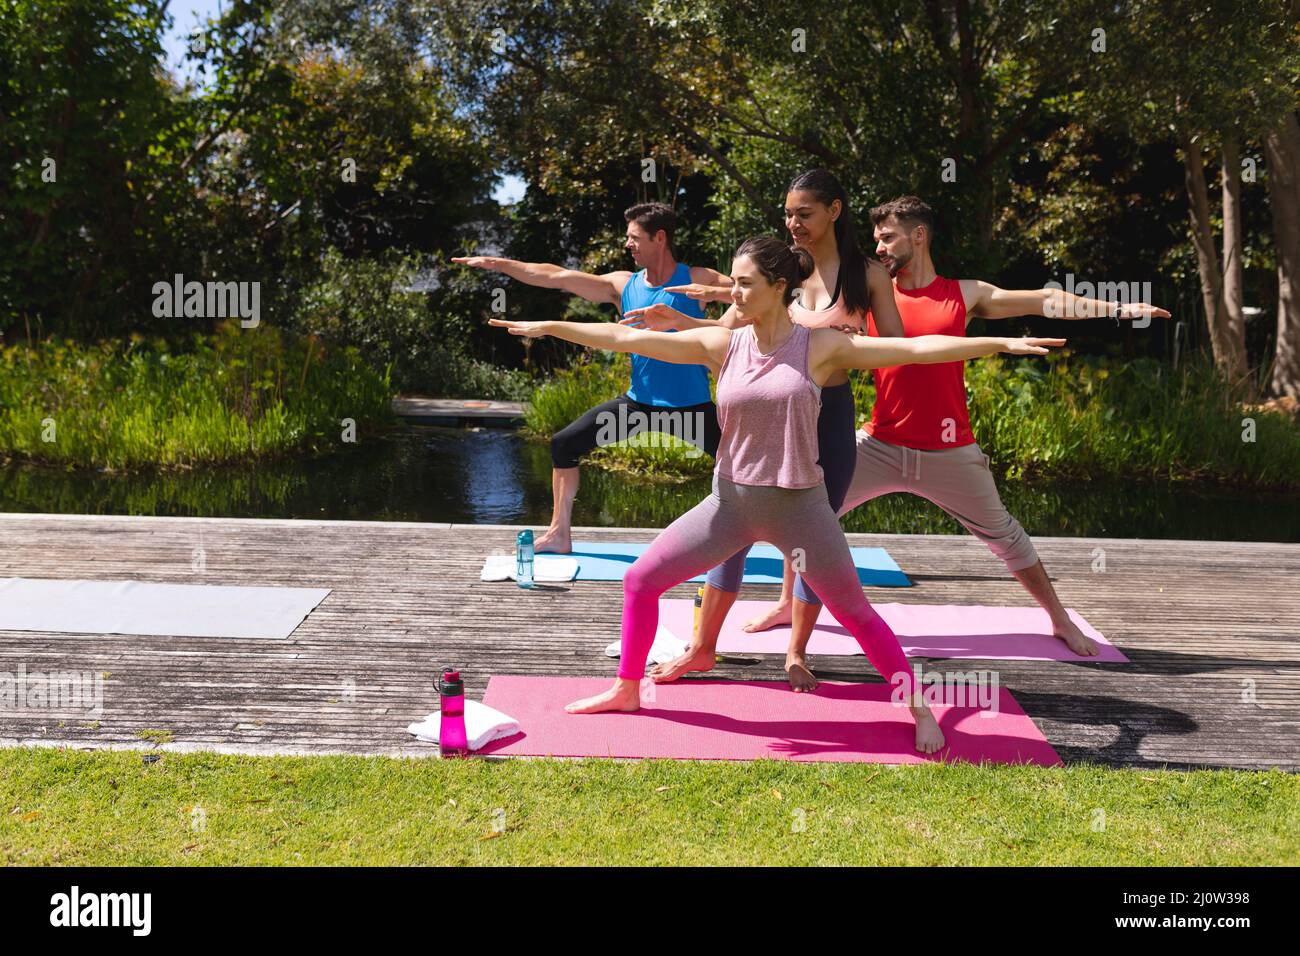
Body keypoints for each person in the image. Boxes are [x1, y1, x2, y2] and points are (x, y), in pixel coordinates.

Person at [490, 235, 1066, 753]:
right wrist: (551, 328)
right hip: (729, 504)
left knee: (859, 615)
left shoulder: (822, 348)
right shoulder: (721, 344)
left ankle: (919, 710)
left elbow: (914, 351)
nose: (732, 291)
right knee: (640, 579)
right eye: (733, 281)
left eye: (744, 283)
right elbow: (621, 335)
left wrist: (997, 345)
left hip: (802, 511)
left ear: (778, 288)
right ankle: (627, 689)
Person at [651, 196, 1170, 692]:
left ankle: (1058, 618)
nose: (879, 247)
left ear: (918, 236)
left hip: (950, 449)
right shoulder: (870, 295)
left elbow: (1045, 299)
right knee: (809, 509)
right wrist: (705, 313)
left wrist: (1116, 308)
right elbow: (780, 320)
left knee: (1007, 537)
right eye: (875, 238)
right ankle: (793, 625)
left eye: (888, 237)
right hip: (880, 442)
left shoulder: (965, 292)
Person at [621, 169, 903, 677]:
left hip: (828, 414)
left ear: (834, 211)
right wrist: (682, 323)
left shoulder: (866, 274)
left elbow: (899, 351)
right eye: (788, 213)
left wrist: (847, 341)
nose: (793, 222)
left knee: (817, 537)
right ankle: (702, 646)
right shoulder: (780, 268)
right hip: (766, 410)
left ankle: (797, 652)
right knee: (732, 530)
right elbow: (729, 334)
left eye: (804, 213)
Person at [452, 202, 731, 553]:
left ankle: (743, 539)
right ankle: (558, 533)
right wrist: (499, 264)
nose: (627, 244)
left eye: (634, 238)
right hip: (638, 406)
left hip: (692, 410)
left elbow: (755, 292)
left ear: (659, 238)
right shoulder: (622, 285)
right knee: (564, 444)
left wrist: (712, 296)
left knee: (739, 464)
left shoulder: (696, 279)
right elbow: (553, 276)